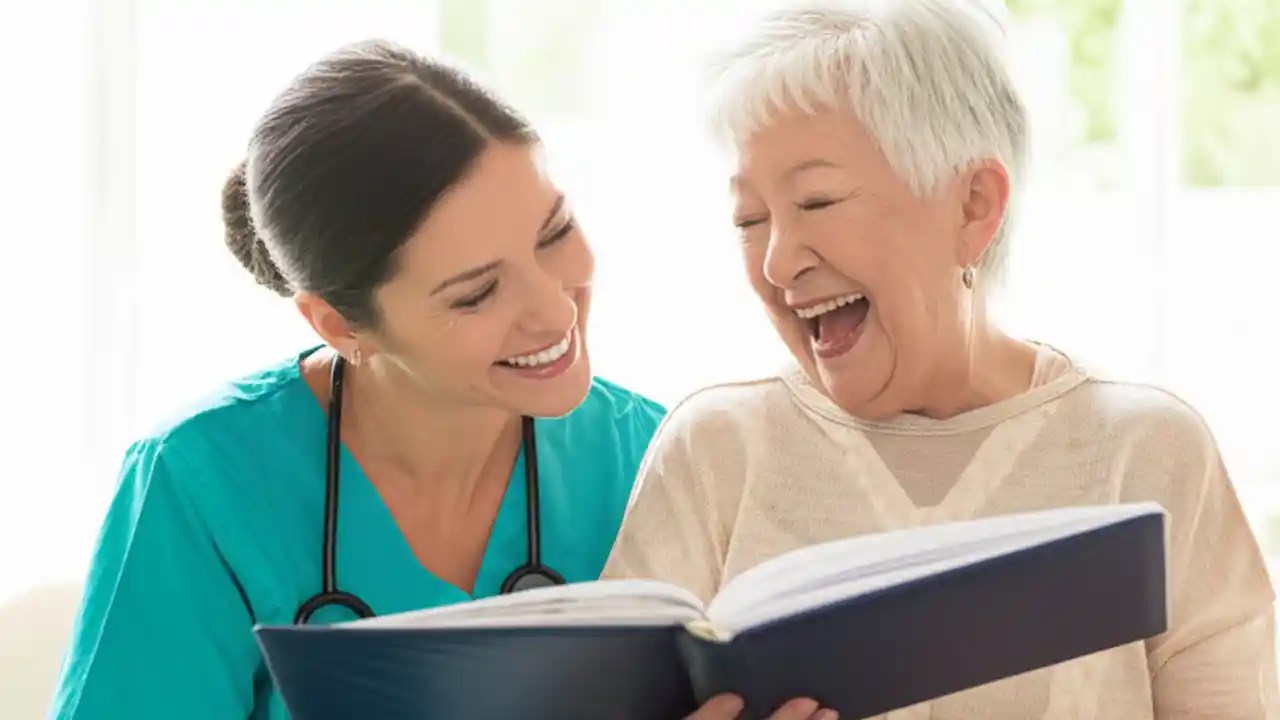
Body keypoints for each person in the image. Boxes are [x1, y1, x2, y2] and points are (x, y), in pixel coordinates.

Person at [604, 1, 1280, 718]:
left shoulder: (1145, 451)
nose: (777, 261)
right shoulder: (715, 451)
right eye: (750, 219)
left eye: (818, 200)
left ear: (972, 206)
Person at [48, 39, 677, 719]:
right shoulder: (201, 484)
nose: (556, 308)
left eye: (553, 233)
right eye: (476, 294)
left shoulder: (659, 458)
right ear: (342, 326)